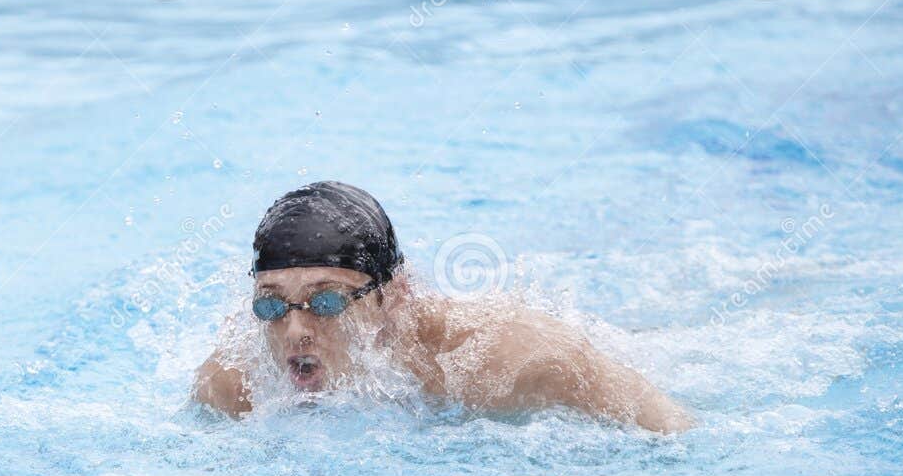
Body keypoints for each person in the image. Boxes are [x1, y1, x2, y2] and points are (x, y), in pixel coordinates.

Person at [193, 181, 692, 433]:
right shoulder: (232, 387)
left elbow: (673, 433)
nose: (296, 329)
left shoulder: (510, 358)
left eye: (326, 301)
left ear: (393, 297)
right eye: (272, 308)